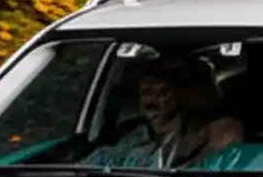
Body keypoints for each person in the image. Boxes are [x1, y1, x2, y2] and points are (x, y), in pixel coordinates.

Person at [82, 58, 243, 168]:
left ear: (179, 95)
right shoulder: (135, 135)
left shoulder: (216, 131)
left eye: (162, 92)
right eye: (147, 92)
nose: (153, 101)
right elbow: (99, 162)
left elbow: (209, 172)